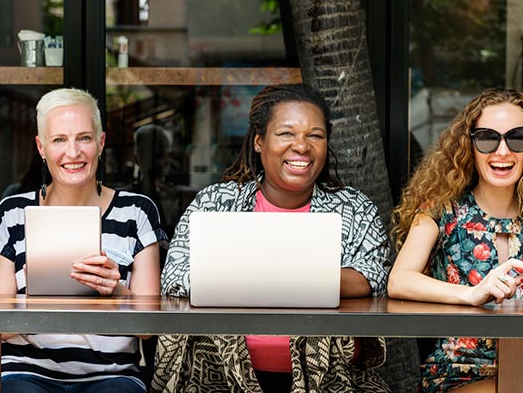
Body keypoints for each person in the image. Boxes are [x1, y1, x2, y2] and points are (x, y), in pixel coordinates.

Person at [153, 84, 390, 392]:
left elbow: (371, 278)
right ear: (259, 141)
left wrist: (254, 278)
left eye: (315, 135)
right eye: (286, 133)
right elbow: (175, 278)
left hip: (331, 381)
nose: (302, 146)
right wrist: (302, 280)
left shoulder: (354, 208)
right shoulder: (216, 202)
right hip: (219, 379)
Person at [388, 87, 523, 392]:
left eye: (517, 138)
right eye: (487, 138)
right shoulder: (440, 209)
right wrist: (471, 294)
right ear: (470, 146)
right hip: (455, 370)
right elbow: (399, 280)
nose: (502, 151)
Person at [0, 88, 165, 393]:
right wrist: (31, 289)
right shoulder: (13, 213)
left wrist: (117, 291)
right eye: (59, 140)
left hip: (111, 375)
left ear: (101, 143)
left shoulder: (137, 211)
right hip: (25, 373)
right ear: (41, 147)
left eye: (84, 138)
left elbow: (148, 329)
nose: (73, 152)